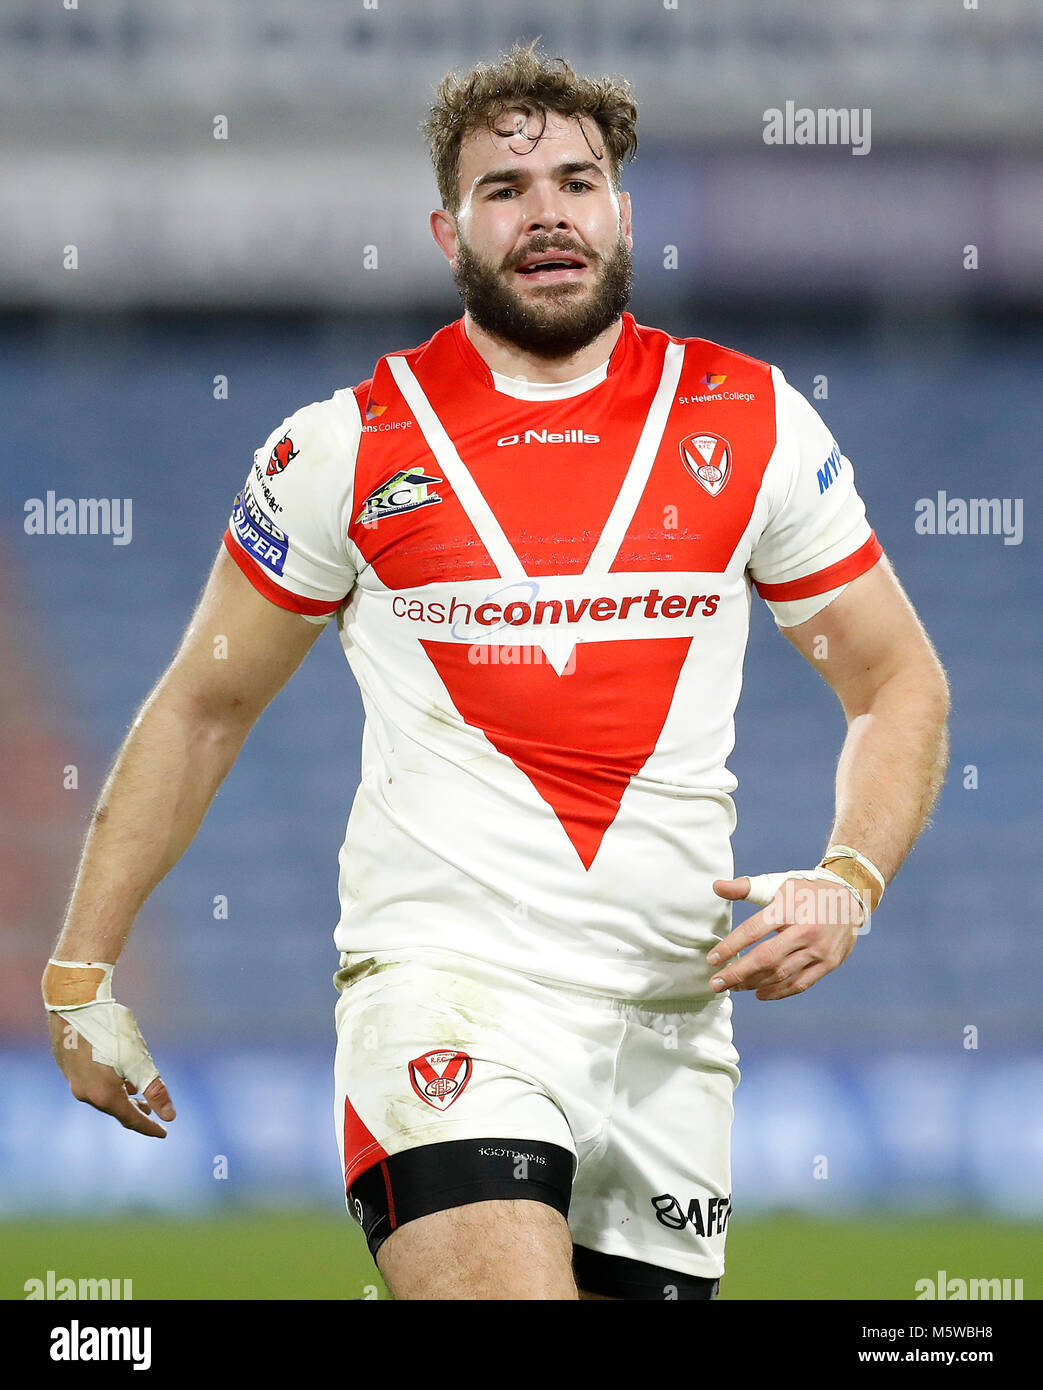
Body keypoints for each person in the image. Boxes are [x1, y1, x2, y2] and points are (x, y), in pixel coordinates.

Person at [43, 42, 950, 1301]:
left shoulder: (748, 420)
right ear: (446, 228)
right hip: (446, 991)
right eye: (505, 190)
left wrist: (848, 872)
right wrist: (81, 968)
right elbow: (203, 704)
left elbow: (894, 679)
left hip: (667, 1025)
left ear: (621, 210)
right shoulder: (341, 446)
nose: (548, 215)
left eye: (576, 182)